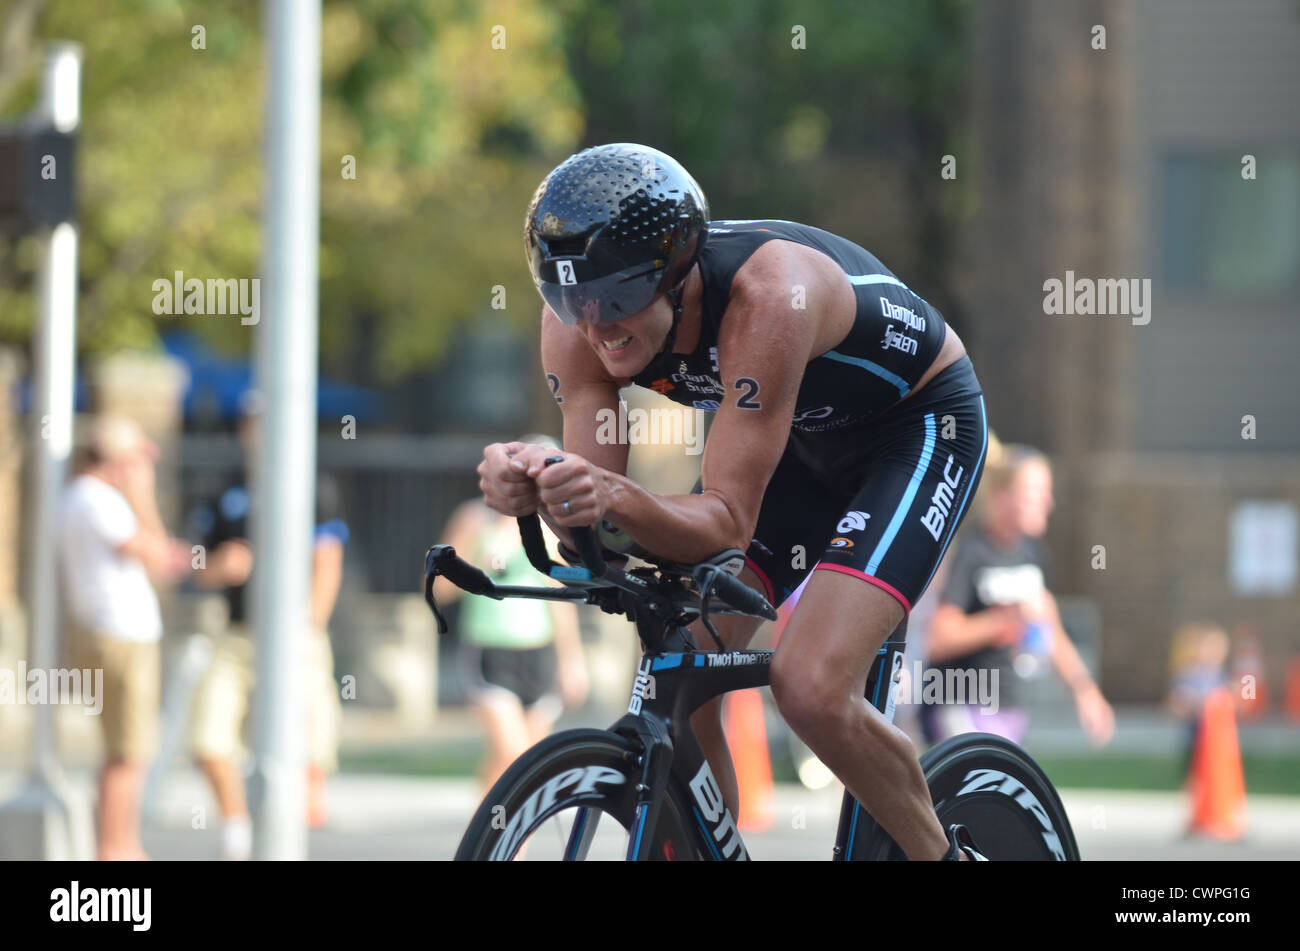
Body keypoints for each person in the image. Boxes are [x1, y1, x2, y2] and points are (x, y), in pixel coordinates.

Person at [478, 143, 992, 859]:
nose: (596, 326)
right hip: (795, 448)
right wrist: (536, 488)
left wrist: (607, 495)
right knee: (679, 681)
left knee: (809, 683)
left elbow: (725, 521)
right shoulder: (577, 326)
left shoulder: (768, 296)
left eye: (618, 300)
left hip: (914, 429)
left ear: (678, 276)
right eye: (572, 301)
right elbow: (595, 518)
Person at [188, 392, 347, 859]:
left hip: (295, 636)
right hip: (239, 633)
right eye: (254, 423)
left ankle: (289, 835)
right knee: (208, 735)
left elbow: (328, 562)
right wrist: (221, 565)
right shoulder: (224, 489)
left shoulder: (313, 486)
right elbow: (198, 569)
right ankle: (238, 833)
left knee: (309, 749)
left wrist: (309, 627)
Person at [922, 444, 1115, 748]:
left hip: (1011, 707)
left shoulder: (1033, 553)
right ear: (1002, 496)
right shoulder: (972, 551)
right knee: (982, 791)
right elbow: (939, 638)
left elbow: (1051, 630)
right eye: (1035, 492)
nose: (1047, 502)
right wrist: (1008, 618)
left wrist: (1085, 691)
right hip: (963, 703)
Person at [59, 414, 190, 859]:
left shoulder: (81, 499)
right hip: (121, 635)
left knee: (120, 752)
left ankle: (116, 846)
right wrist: (144, 497)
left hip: (109, 633)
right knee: (129, 754)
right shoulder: (100, 501)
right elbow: (160, 557)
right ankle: (117, 850)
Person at [435, 435, 588, 792]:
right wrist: (474, 567)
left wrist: (572, 661)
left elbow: (558, 600)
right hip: (491, 653)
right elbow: (438, 589)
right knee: (512, 751)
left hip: (538, 653)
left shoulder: (551, 528)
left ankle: (507, 844)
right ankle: (488, 836)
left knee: (529, 766)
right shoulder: (475, 519)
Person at [1166, 621, 1230, 778]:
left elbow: (1236, 697)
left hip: (1217, 733)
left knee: (1216, 769)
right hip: (1195, 730)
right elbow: (1175, 701)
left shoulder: (1223, 675)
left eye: (1219, 648)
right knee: (1193, 768)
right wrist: (1193, 702)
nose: (1214, 653)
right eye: (1209, 647)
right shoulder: (1188, 673)